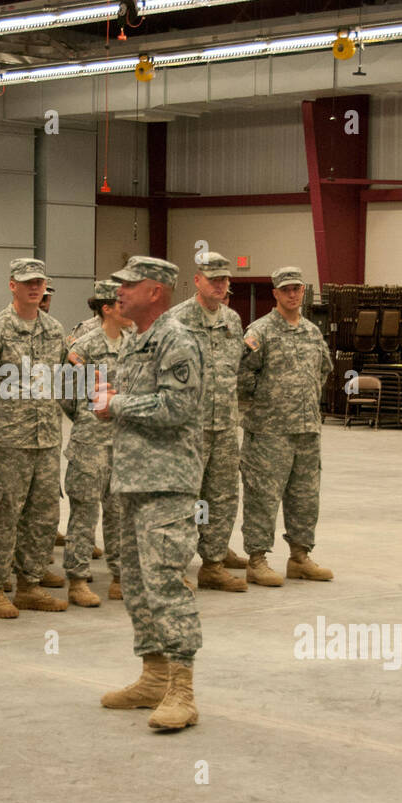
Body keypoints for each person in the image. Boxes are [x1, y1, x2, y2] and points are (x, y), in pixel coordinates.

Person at [93, 255, 204, 730]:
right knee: (137, 585)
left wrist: (116, 402)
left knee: (166, 582)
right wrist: (109, 397)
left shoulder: (177, 339)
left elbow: (176, 406)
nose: (119, 292)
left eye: (129, 285)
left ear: (155, 290)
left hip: (166, 482)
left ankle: (182, 688)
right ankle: (153, 675)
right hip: (133, 479)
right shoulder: (138, 340)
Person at [0, 257, 68, 618]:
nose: (35, 288)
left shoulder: (54, 330)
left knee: (42, 515)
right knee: (0, 515)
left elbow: (60, 380)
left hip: (46, 440)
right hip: (4, 441)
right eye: (27, 283)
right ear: (12, 286)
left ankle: (29, 584)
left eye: (39, 282)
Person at [237, 266, 334, 585]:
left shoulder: (311, 332)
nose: (293, 294)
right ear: (276, 293)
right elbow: (242, 377)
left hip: (306, 430)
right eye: (286, 289)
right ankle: (257, 559)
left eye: (298, 289)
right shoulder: (259, 331)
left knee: (305, 496)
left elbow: (322, 371)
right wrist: (267, 404)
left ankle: (300, 556)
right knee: (262, 496)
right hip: (268, 431)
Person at [170, 252, 249, 593]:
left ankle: (213, 564)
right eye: (213, 279)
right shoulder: (176, 321)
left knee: (222, 496)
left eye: (224, 280)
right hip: (188, 430)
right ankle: (173, 567)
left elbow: (238, 372)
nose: (220, 285)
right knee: (183, 499)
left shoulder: (232, 320)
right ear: (198, 280)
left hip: (225, 427)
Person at [61, 279, 128, 606]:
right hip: (90, 443)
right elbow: (66, 394)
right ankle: (77, 579)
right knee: (84, 513)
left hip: (123, 443)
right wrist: (89, 415)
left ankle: (119, 575)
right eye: (122, 304)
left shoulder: (134, 344)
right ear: (107, 309)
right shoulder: (83, 348)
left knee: (119, 512)